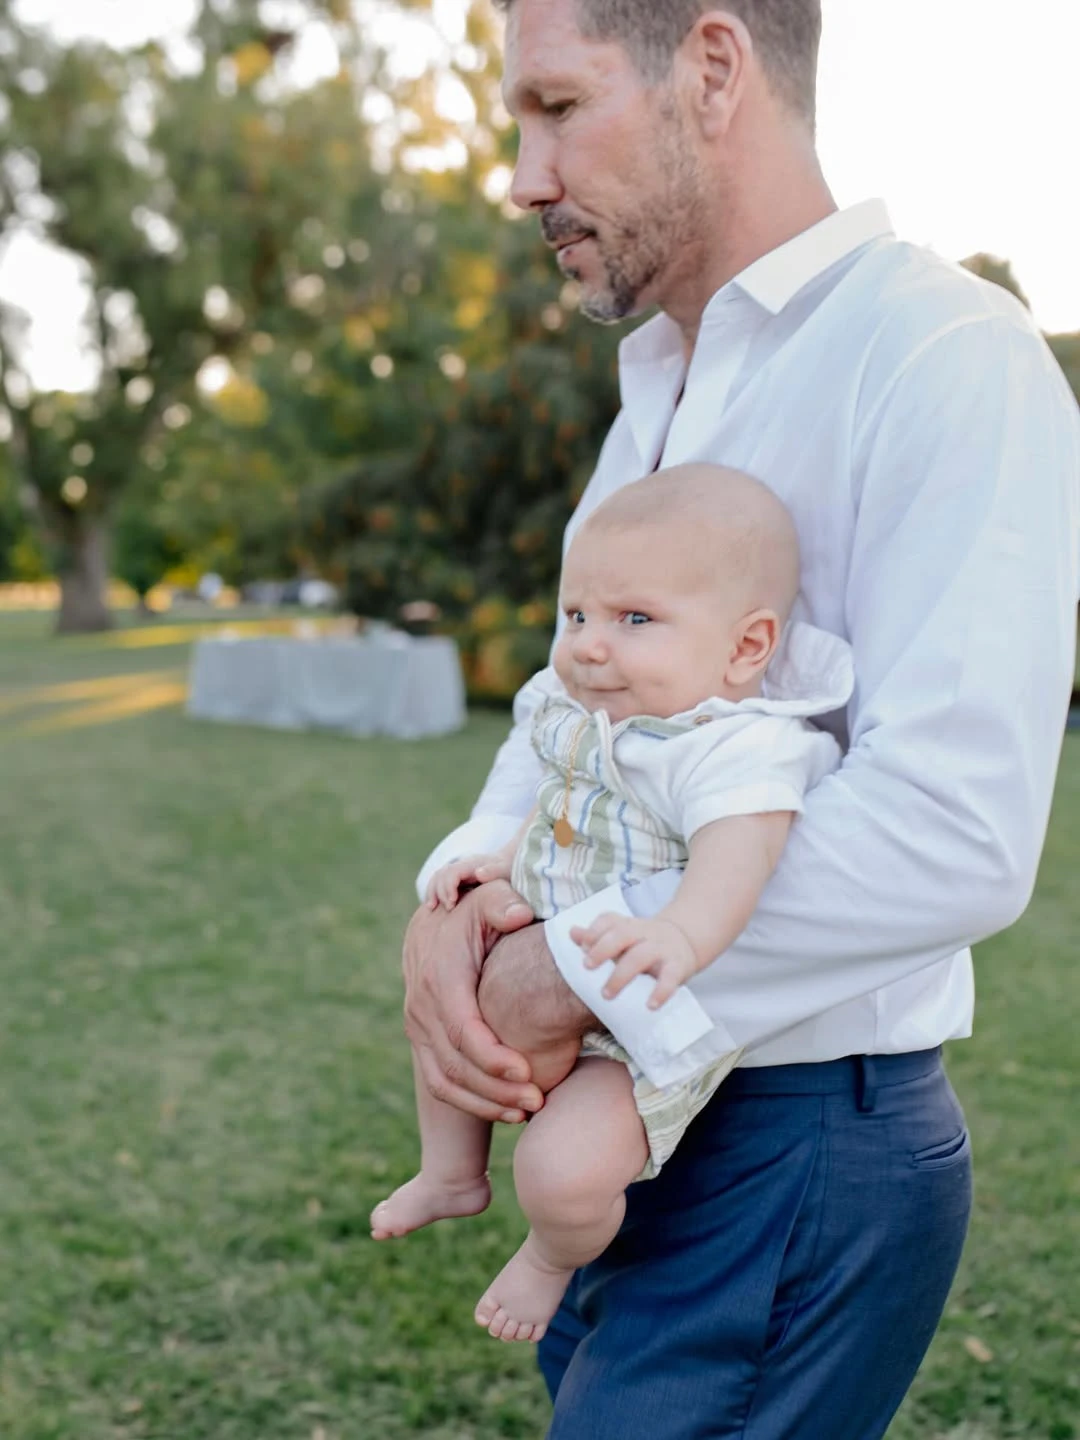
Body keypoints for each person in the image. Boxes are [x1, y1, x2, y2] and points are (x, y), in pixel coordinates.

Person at [402, 1, 1080, 1435]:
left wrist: (561, 975)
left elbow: (953, 832)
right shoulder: (656, 387)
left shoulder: (944, 355)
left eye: (556, 107)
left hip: (792, 1147)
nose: (523, 179)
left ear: (711, 69)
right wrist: (460, 902)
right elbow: (569, 715)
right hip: (627, 1131)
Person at [373, 463, 853, 1344]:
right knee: (445, 1030)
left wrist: (681, 934)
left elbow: (739, 861)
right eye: (577, 616)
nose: (590, 645)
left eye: (634, 620)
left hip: (633, 1021)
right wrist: (492, 865)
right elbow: (555, 809)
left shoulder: (735, 750)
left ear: (747, 646)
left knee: (564, 1171)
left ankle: (550, 1256)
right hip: (545, 956)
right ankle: (449, 1172)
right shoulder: (590, 720)